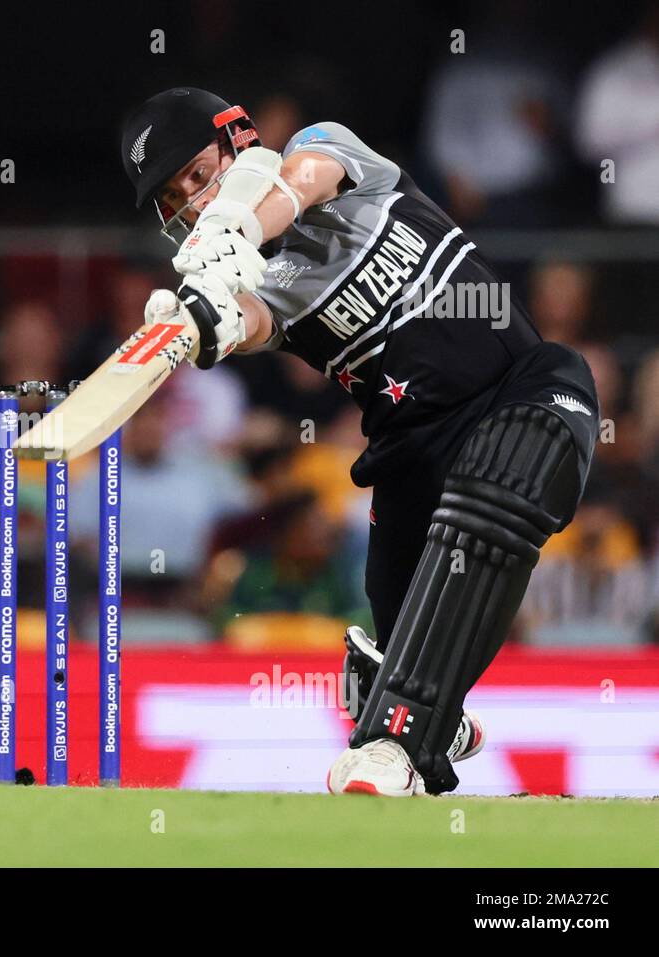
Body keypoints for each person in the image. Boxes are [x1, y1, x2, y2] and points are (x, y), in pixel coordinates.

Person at [120, 87, 598, 796]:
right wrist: (194, 321)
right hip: (409, 465)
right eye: (176, 196)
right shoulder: (268, 284)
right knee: (386, 654)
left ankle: (396, 738)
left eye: (197, 172)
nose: (193, 198)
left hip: (525, 392)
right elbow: (246, 319)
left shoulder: (326, 147)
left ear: (237, 139)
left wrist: (237, 225)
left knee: (496, 488)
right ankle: (435, 718)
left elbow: (301, 178)